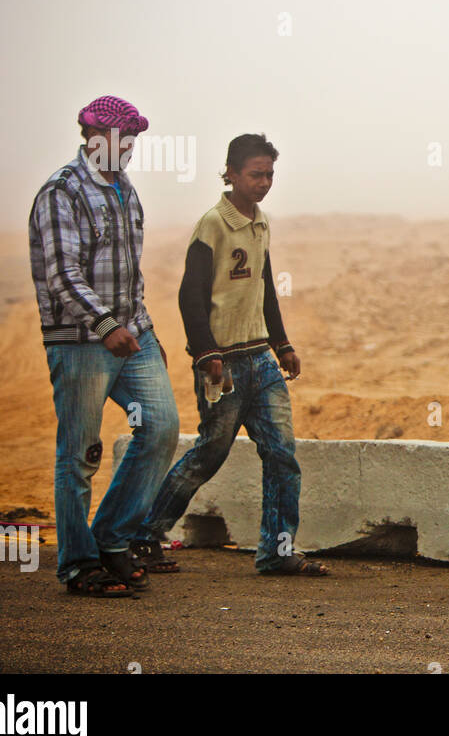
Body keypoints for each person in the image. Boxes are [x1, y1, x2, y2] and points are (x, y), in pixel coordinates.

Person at [132, 134, 328, 576]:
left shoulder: (262, 223)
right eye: (256, 174)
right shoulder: (212, 225)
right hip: (224, 366)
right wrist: (206, 353)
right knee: (209, 452)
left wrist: (284, 345)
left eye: (270, 174)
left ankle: (276, 552)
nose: (264, 183)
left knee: (282, 456)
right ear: (232, 174)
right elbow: (190, 296)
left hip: (260, 359)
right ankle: (144, 535)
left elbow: (265, 289)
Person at [29, 95, 180, 596]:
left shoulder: (125, 191)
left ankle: (112, 539)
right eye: (123, 139)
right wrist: (105, 323)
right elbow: (62, 277)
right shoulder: (61, 192)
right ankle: (77, 564)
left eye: (133, 140)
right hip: (80, 343)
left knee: (160, 428)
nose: (131, 148)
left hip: (132, 334)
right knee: (79, 455)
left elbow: (130, 274)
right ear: (94, 138)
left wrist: (143, 329)